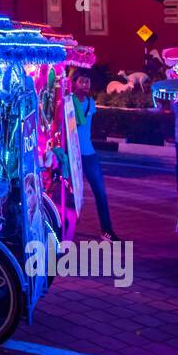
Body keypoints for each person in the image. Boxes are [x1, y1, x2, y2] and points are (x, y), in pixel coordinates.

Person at [71, 71, 120, 242]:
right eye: (82, 81)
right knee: (71, 194)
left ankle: (107, 230)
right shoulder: (69, 102)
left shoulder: (91, 103)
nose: (86, 85)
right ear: (74, 82)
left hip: (89, 154)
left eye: (88, 82)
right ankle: (67, 229)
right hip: (73, 156)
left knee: (101, 192)